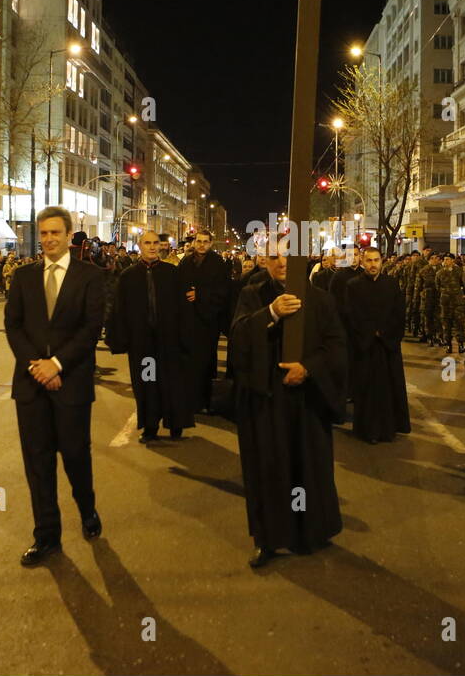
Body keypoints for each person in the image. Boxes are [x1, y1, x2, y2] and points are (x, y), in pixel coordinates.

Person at [230, 249, 346, 568]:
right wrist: (271, 314)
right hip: (266, 400)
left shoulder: (321, 299)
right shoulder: (252, 295)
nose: (281, 263)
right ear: (264, 262)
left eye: (288, 257)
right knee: (269, 470)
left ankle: (311, 531)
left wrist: (308, 368)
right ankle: (268, 538)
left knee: (308, 466)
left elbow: (336, 346)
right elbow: (237, 337)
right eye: (273, 258)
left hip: (308, 399)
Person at [4, 206, 107, 567]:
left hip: (72, 383)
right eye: (43, 233)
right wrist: (37, 365)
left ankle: (87, 507)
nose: (48, 239)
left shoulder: (91, 276)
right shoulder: (24, 276)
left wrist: (58, 364)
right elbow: (13, 325)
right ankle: (46, 535)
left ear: (68, 235)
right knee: (38, 461)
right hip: (31, 385)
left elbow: (91, 328)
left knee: (76, 456)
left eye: (55, 233)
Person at [107, 230, 195, 442]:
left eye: (156, 243)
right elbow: (119, 309)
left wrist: (185, 336)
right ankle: (150, 426)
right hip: (143, 344)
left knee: (173, 382)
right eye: (148, 243)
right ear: (140, 245)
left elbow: (184, 307)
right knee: (148, 383)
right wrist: (120, 339)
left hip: (169, 341)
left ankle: (176, 425)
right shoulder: (128, 276)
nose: (153, 246)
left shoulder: (172, 273)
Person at [344, 246, 410, 443]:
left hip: (388, 347)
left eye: (376, 260)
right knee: (367, 390)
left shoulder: (392, 284)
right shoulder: (352, 285)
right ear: (363, 262)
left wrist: (385, 332)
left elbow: (399, 313)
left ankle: (389, 429)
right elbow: (351, 315)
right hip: (366, 347)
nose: (373, 264)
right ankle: (368, 430)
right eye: (369, 261)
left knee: (390, 388)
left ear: (382, 262)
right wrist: (370, 332)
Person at [179, 230, 230, 413]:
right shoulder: (185, 262)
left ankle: (205, 401)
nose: (201, 245)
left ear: (211, 243)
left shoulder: (218, 263)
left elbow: (223, 291)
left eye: (205, 242)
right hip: (188, 320)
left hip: (208, 322)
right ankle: (189, 399)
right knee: (188, 361)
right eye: (198, 241)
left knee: (206, 361)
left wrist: (200, 294)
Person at [436, 253, 465, 356]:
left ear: (452, 261)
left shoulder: (459, 271)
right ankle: (448, 344)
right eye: (444, 259)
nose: (445, 261)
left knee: (459, 324)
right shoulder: (439, 273)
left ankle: (461, 344)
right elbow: (437, 286)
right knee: (446, 324)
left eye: (448, 259)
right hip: (445, 302)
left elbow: (464, 284)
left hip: (457, 302)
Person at [417, 253, 441, 346]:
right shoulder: (424, 271)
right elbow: (418, 286)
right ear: (429, 260)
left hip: (438, 297)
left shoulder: (441, 270)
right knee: (427, 317)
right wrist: (417, 298)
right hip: (427, 297)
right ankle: (428, 335)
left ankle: (436, 335)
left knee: (437, 317)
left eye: (436, 258)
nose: (434, 260)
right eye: (432, 258)